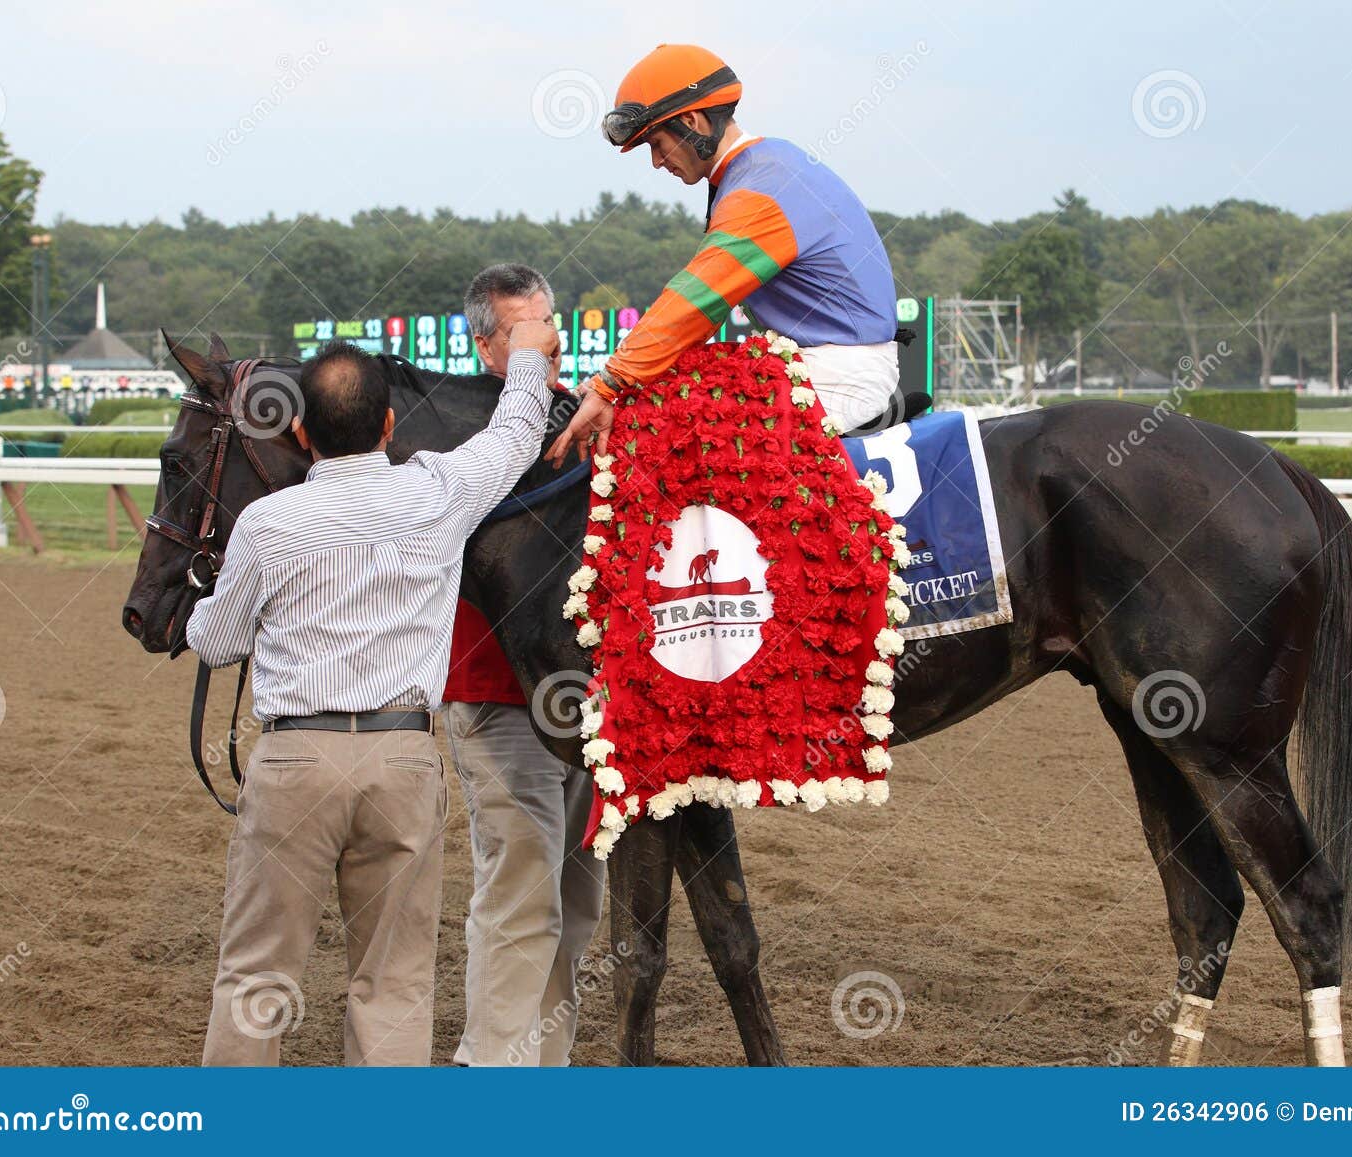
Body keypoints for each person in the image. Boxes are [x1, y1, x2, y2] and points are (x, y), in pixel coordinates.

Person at [187, 324, 558, 1066]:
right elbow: (517, 431)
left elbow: (215, 641)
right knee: (393, 983)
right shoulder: (438, 492)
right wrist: (524, 349)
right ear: (389, 425)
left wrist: (205, 599)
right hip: (403, 758)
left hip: (294, 760)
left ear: (300, 432)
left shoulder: (266, 523)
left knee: (256, 973)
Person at [547, 43, 900, 466]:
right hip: (817, 362)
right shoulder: (760, 167)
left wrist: (609, 383)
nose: (658, 162)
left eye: (657, 144)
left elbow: (694, 302)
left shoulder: (762, 188)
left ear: (693, 122)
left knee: (682, 445)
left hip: (840, 377)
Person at [440, 264, 606, 1066]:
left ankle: (546, 1070)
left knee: (576, 901)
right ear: (482, 343)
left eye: (550, 322)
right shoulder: (458, 429)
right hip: (497, 700)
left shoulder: (583, 412)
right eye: (523, 331)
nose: (546, 340)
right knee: (520, 895)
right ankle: (492, 1074)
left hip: (580, 702)